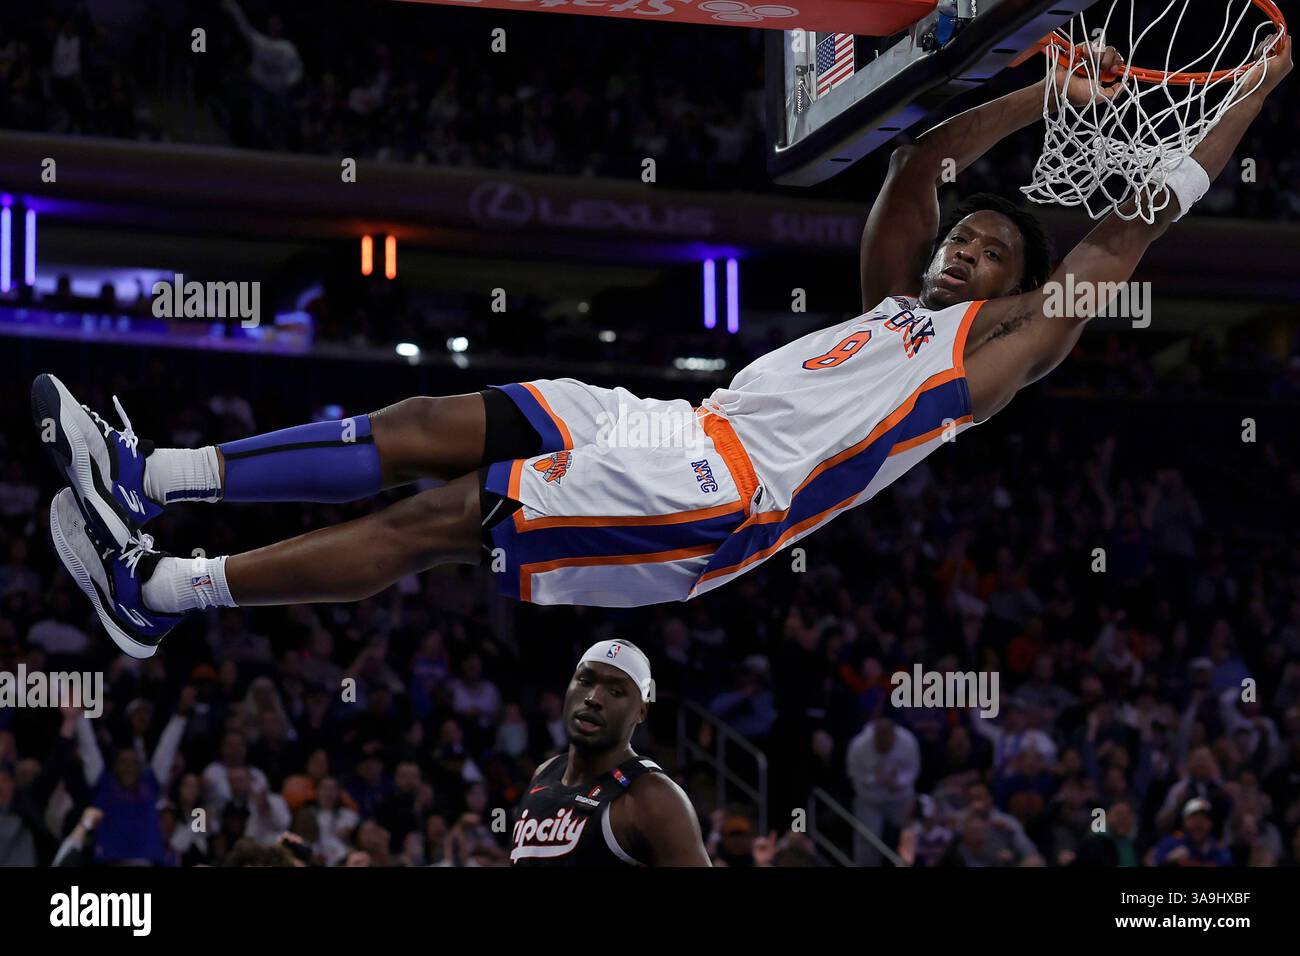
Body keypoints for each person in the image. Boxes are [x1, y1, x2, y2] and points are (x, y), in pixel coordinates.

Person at [33, 38, 1293, 658]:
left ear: (1016, 290)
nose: (972, 245)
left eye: (995, 250)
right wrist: (1039, 88)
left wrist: (1242, 93)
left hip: (723, 501)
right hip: (674, 429)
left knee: (445, 512)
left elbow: (1121, 240)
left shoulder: (999, 351)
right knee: (441, 416)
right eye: (965, 238)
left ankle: (158, 594)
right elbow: (922, 159)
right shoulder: (881, 309)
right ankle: (163, 480)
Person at [510, 641, 709, 866]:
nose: (593, 699)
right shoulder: (543, 773)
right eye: (584, 681)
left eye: (615, 691)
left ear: (641, 711)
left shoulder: (653, 797)